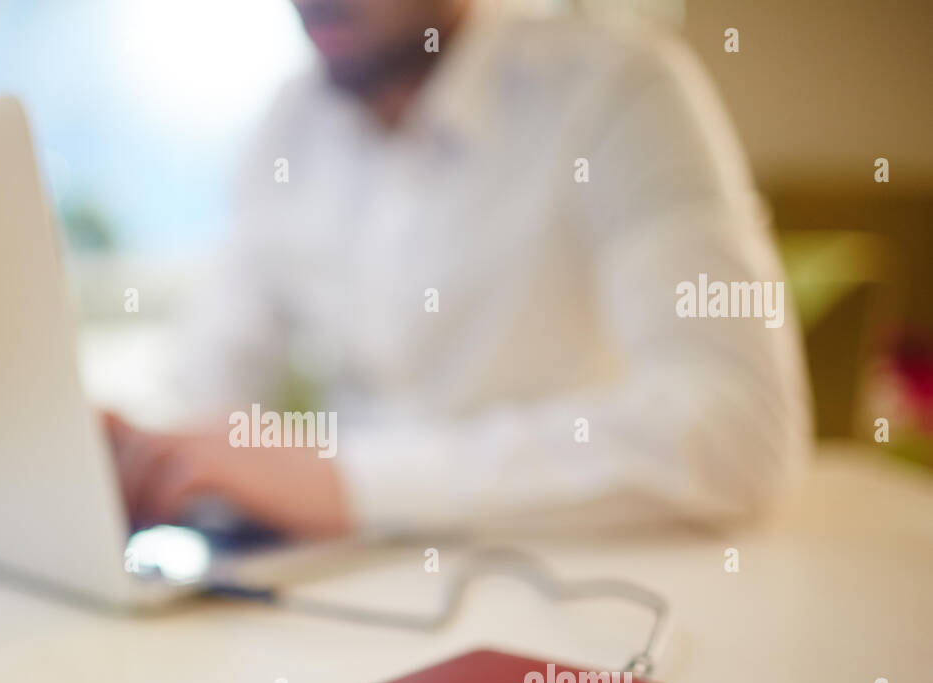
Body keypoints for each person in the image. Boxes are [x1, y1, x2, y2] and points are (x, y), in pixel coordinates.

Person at [106, 0, 811, 539]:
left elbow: (737, 427)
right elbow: (212, 371)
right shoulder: (288, 124)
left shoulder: (617, 88)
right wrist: (152, 455)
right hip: (334, 592)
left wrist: (351, 483)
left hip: (573, 584)